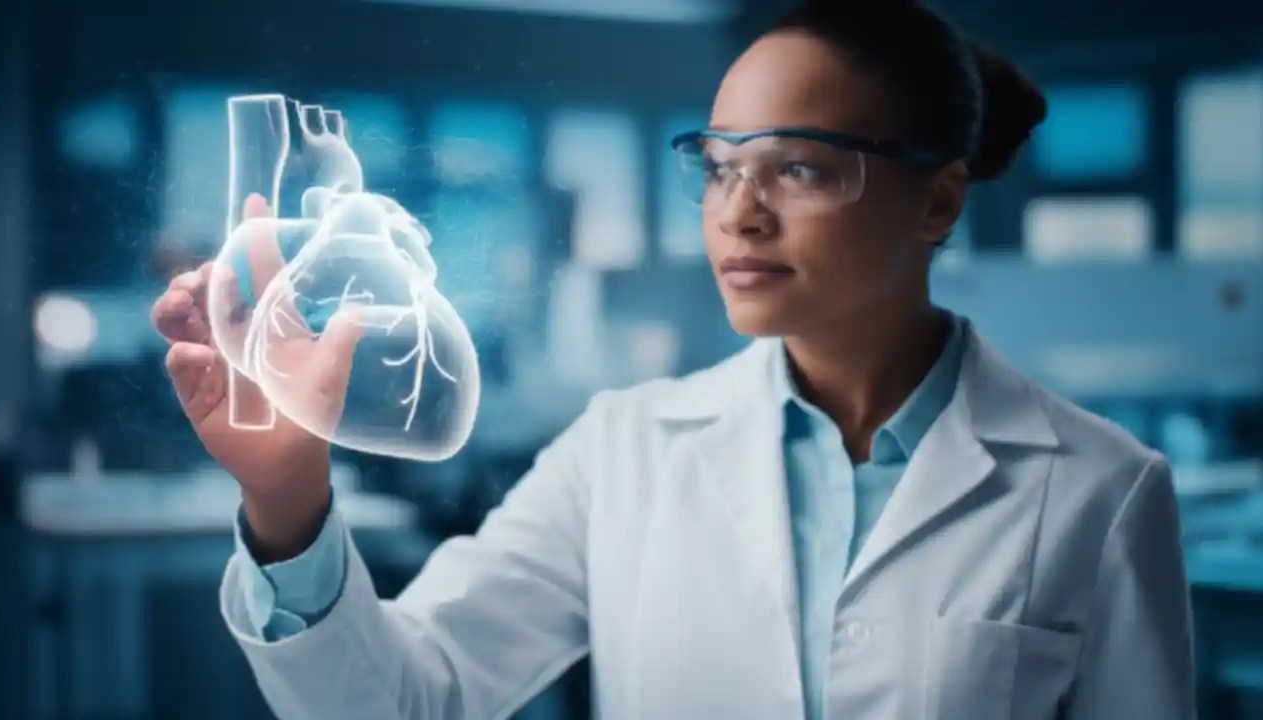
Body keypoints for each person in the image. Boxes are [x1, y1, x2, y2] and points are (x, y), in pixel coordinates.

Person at [150, 1, 1195, 718]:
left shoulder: (1098, 490)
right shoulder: (623, 453)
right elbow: (407, 702)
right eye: (717, 165)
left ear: (937, 200)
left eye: (797, 168)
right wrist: (288, 500)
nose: (738, 212)